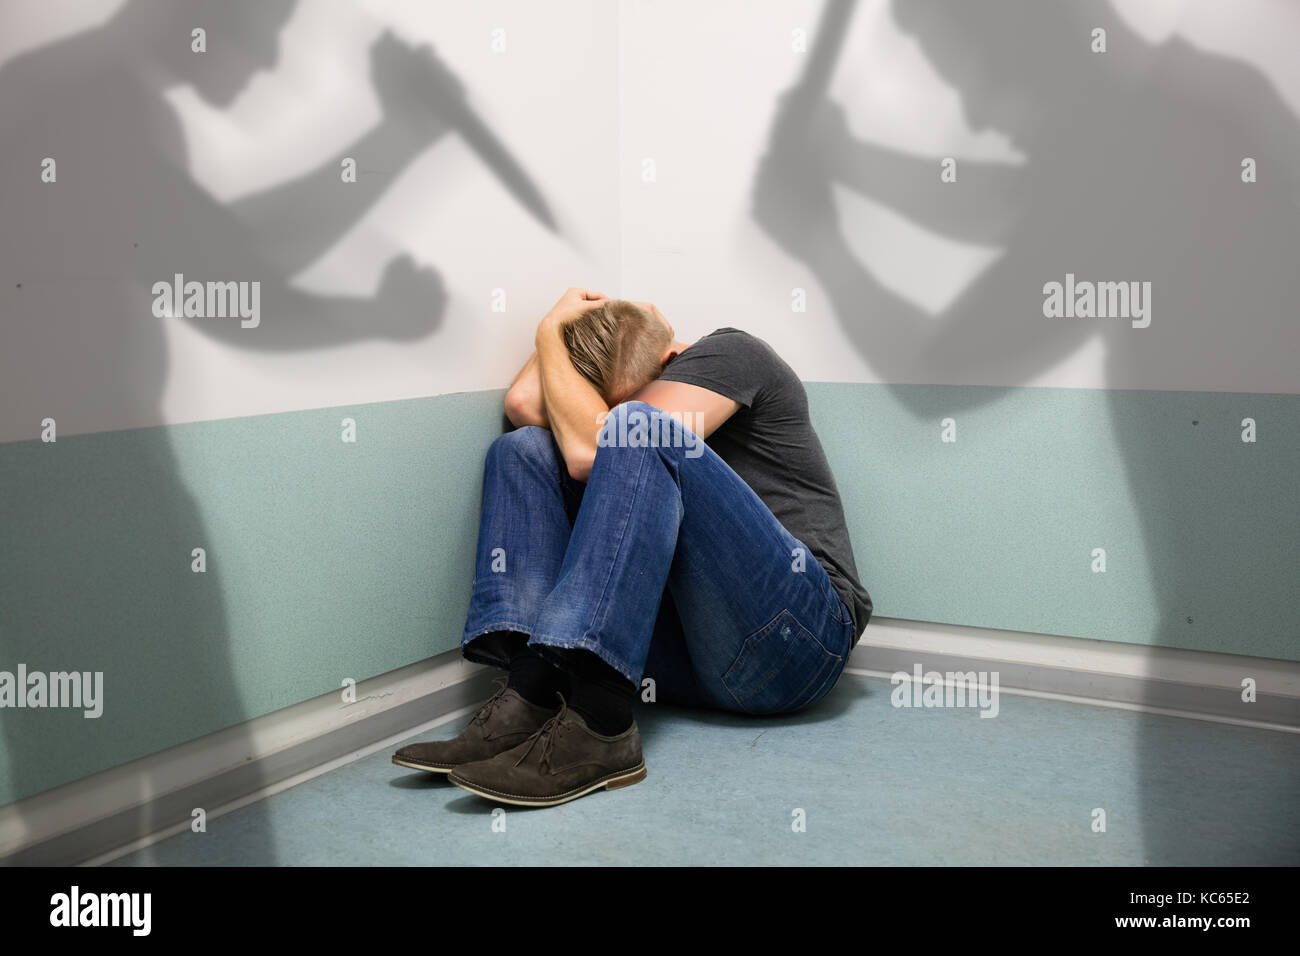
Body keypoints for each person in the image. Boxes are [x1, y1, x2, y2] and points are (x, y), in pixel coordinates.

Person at [393, 288, 872, 806]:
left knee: (631, 433)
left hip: (796, 642)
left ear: (669, 361)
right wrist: (550, 333)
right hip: (683, 658)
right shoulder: (634, 405)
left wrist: (603, 407)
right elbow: (522, 405)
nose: (606, 416)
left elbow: (593, 449)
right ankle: (530, 693)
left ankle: (602, 726)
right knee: (522, 448)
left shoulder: (732, 353)